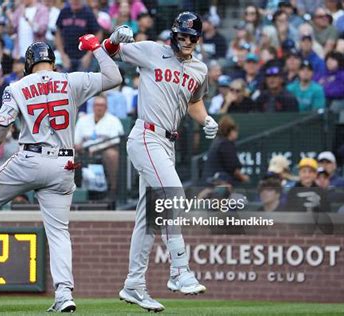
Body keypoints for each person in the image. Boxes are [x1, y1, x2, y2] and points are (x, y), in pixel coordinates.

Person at [0, 37, 122, 313]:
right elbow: (113, 76)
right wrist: (96, 48)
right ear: (52, 63)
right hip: (64, 165)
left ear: (29, 64)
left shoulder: (17, 87)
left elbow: (1, 125)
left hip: (30, 158)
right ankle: (64, 293)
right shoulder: (72, 80)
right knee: (59, 232)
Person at [102, 12, 219, 312]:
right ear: (174, 34)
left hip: (167, 144)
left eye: (192, 36)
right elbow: (111, 50)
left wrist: (206, 118)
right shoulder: (153, 50)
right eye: (183, 35)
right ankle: (179, 270)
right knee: (172, 194)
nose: (187, 40)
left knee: (149, 220)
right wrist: (115, 36)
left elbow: (194, 103)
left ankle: (134, 285)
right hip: (145, 135)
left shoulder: (199, 69)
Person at [75, 94, 124, 197]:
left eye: (102, 105)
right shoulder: (83, 120)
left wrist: (97, 148)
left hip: (104, 150)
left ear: (106, 107)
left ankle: (113, 190)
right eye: (97, 105)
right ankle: (73, 189)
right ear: (93, 106)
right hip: (84, 152)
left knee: (112, 154)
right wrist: (79, 147)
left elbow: (116, 141)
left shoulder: (113, 120)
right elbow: (76, 140)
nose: (99, 107)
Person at [55, 0, 101, 72]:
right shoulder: (64, 12)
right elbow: (58, 34)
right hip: (66, 58)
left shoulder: (88, 13)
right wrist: (62, 55)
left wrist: (89, 55)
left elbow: (98, 34)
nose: (75, 2)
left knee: (83, 82)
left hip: (83, 58)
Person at [202, 115, 248, 184]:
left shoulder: (217, 141)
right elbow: (234, 170)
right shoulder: (225, 144)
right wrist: (245, 178)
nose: (236, 133)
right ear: (230, 131)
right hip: (218, 181)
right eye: (235, 130)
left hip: (210, 179)